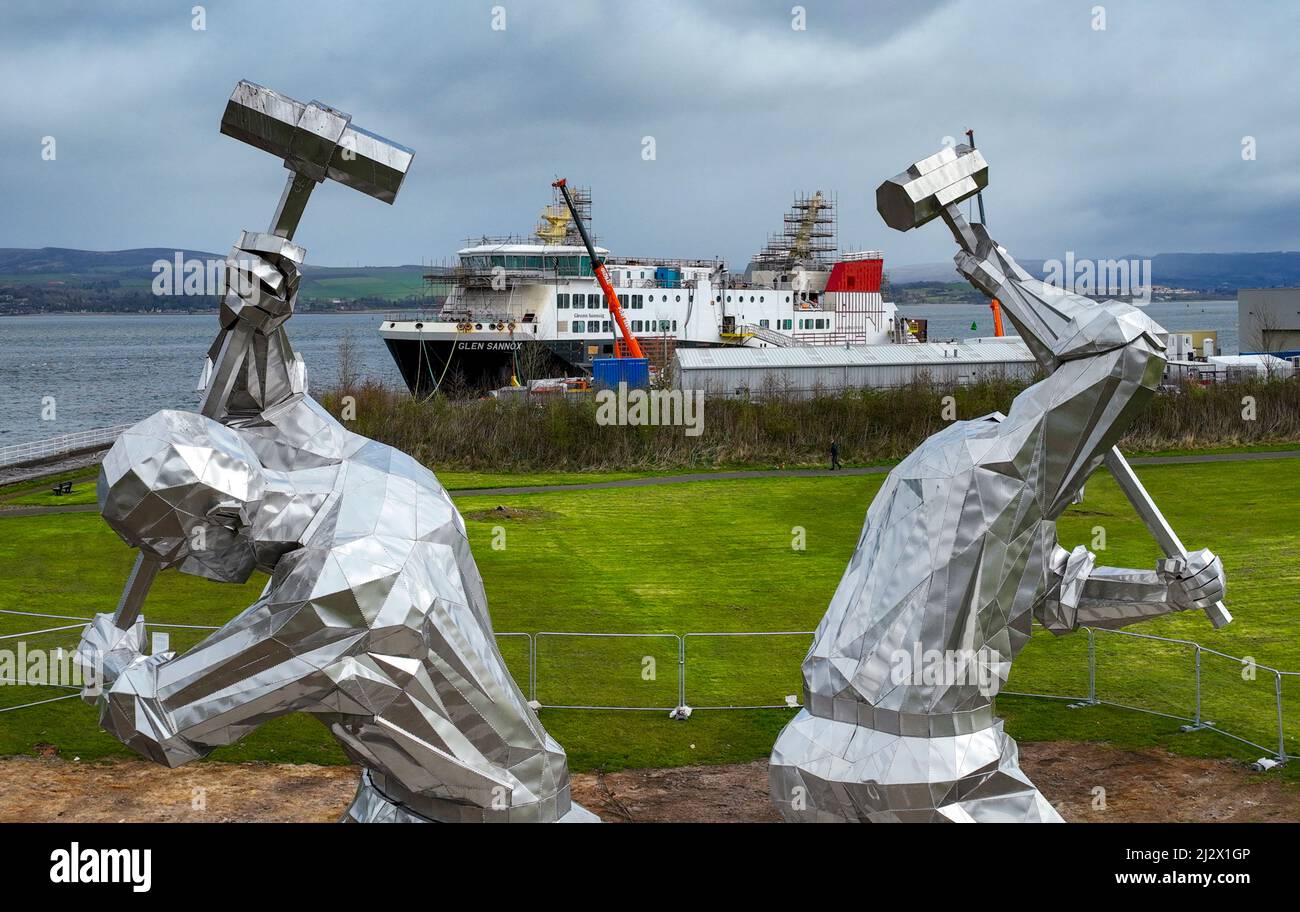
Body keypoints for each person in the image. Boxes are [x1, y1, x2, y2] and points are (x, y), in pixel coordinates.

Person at [77, 232, 597, 824]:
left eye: (174, 553)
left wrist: (112, 668)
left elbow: (164, 721)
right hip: (457, 789)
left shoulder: (333, 596)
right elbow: (268, 412)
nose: (179, 569)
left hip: (467, 812)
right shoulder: (374, 472)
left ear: (219, 524)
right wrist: (256, 318)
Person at [769, 222, 1225, 823]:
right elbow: (1131, 349)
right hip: (930, 768)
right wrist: (1003, 275)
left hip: (807, 753)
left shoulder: (924, 474)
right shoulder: (1000, 468)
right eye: (1076, 462)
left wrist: (1166, 592)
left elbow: (1054, 588)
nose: (1082, 482)